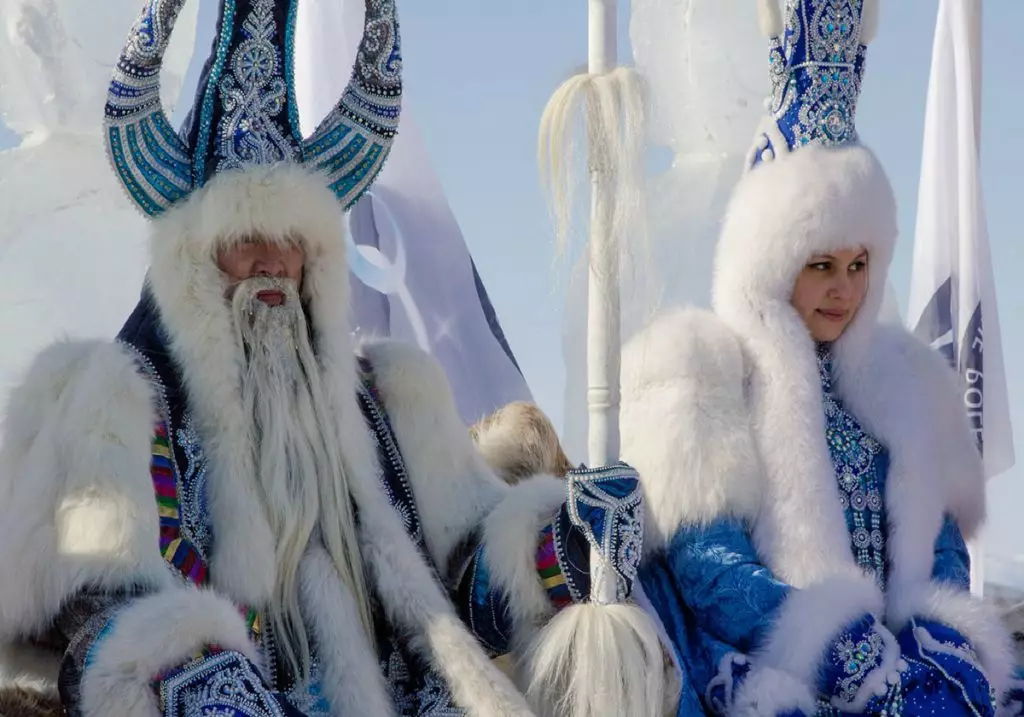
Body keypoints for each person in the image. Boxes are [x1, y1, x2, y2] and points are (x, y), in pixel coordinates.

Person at [0, 0, 667, 715]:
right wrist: (197, 675)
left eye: (295, 240)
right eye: (246, 237)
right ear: (192, 264)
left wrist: (567, 544)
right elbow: (91, 613)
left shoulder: (392, 403)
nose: (272, 264)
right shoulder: (122, 409)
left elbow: (474, 579)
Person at [621, 1, 1017, 715]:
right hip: (775, 678)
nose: (845, 287)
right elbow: (710, 569)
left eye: (860, 263)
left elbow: (943, 553)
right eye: (822, 264)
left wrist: (938, 647)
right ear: (772, 262)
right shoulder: (705, 372)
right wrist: (855, 660)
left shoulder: (907, 385)